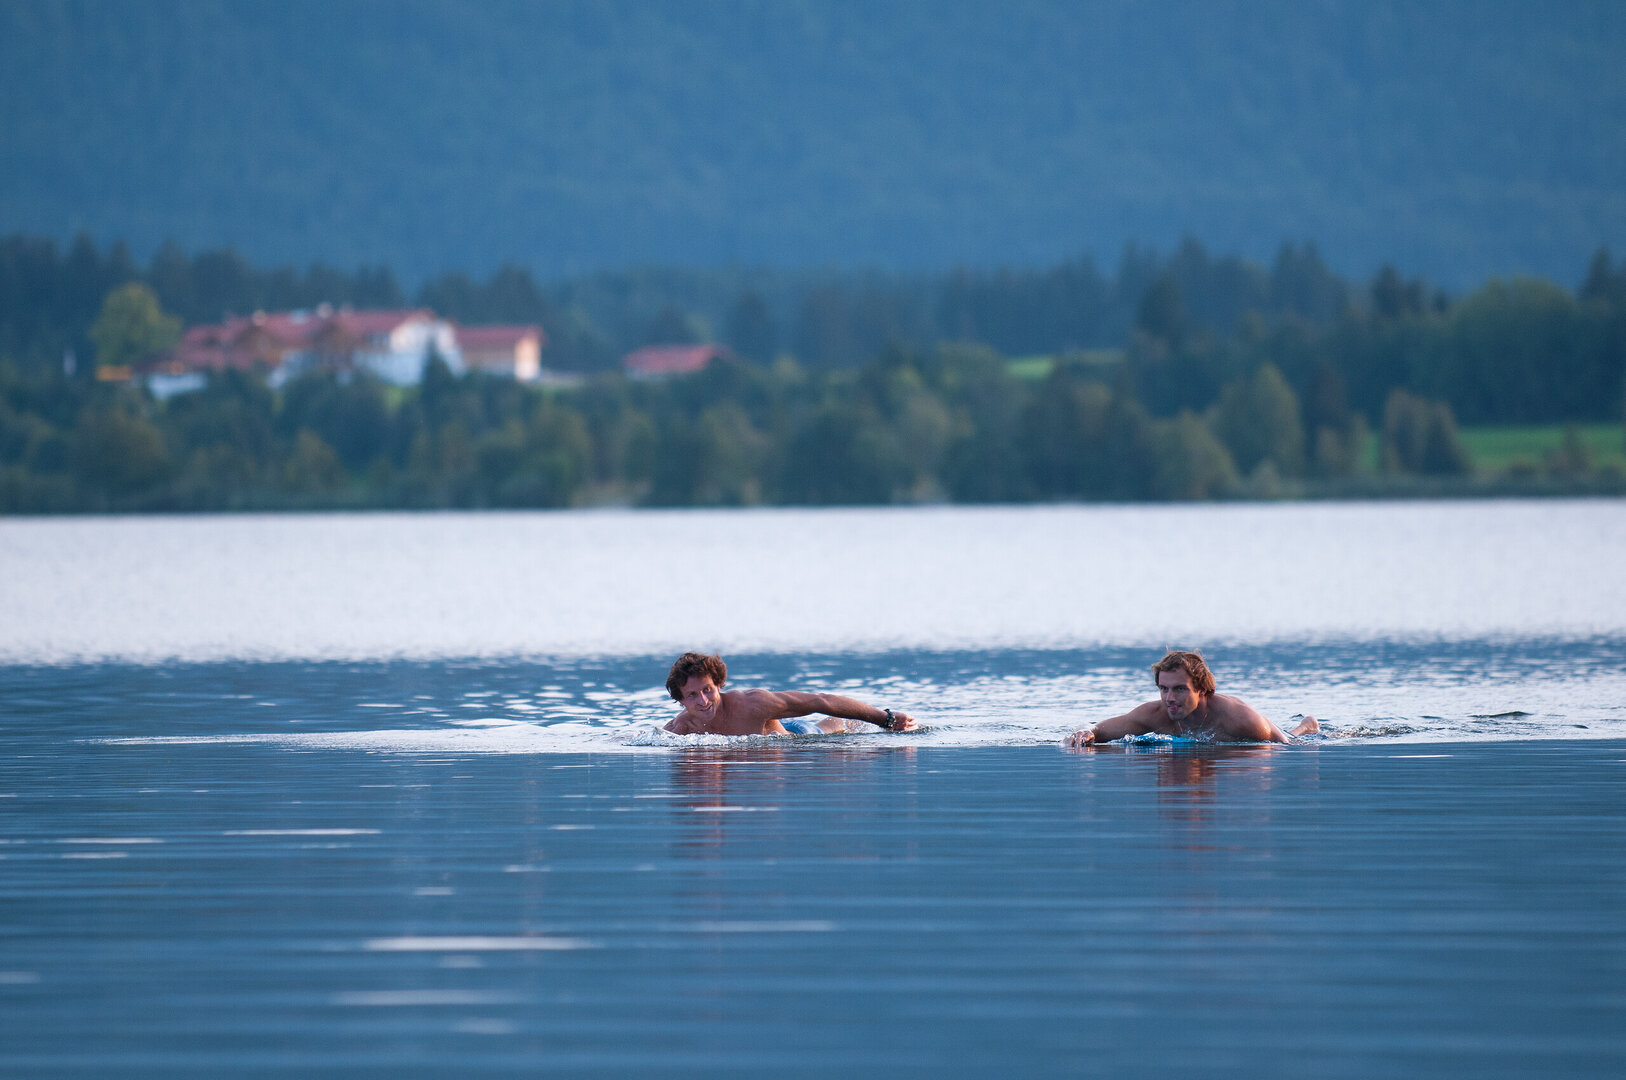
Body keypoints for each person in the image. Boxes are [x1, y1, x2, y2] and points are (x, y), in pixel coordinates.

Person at [1065, 649, 1318, 747]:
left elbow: (1285, 746)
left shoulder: (1240, 719)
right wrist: (1086, 732)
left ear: (1202, 690)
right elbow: (1098, 729)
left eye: (1180, 689)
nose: (1169, 699)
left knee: (1295, 734)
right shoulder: (1153, 715)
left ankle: (1308, 724)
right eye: (1163, 689)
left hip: (1282, 736)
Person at [662, 652, 918, 736]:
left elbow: (820, 700)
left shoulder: (753, 703)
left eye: (707, 690)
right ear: (681, 700)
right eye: (693, 695)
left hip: (793, 732)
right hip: (764, 732)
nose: (704, 701)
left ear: (718, 684)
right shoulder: (681, 728)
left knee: (828, 729)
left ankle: (846, 722)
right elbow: (640, 739)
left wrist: (885, 718)